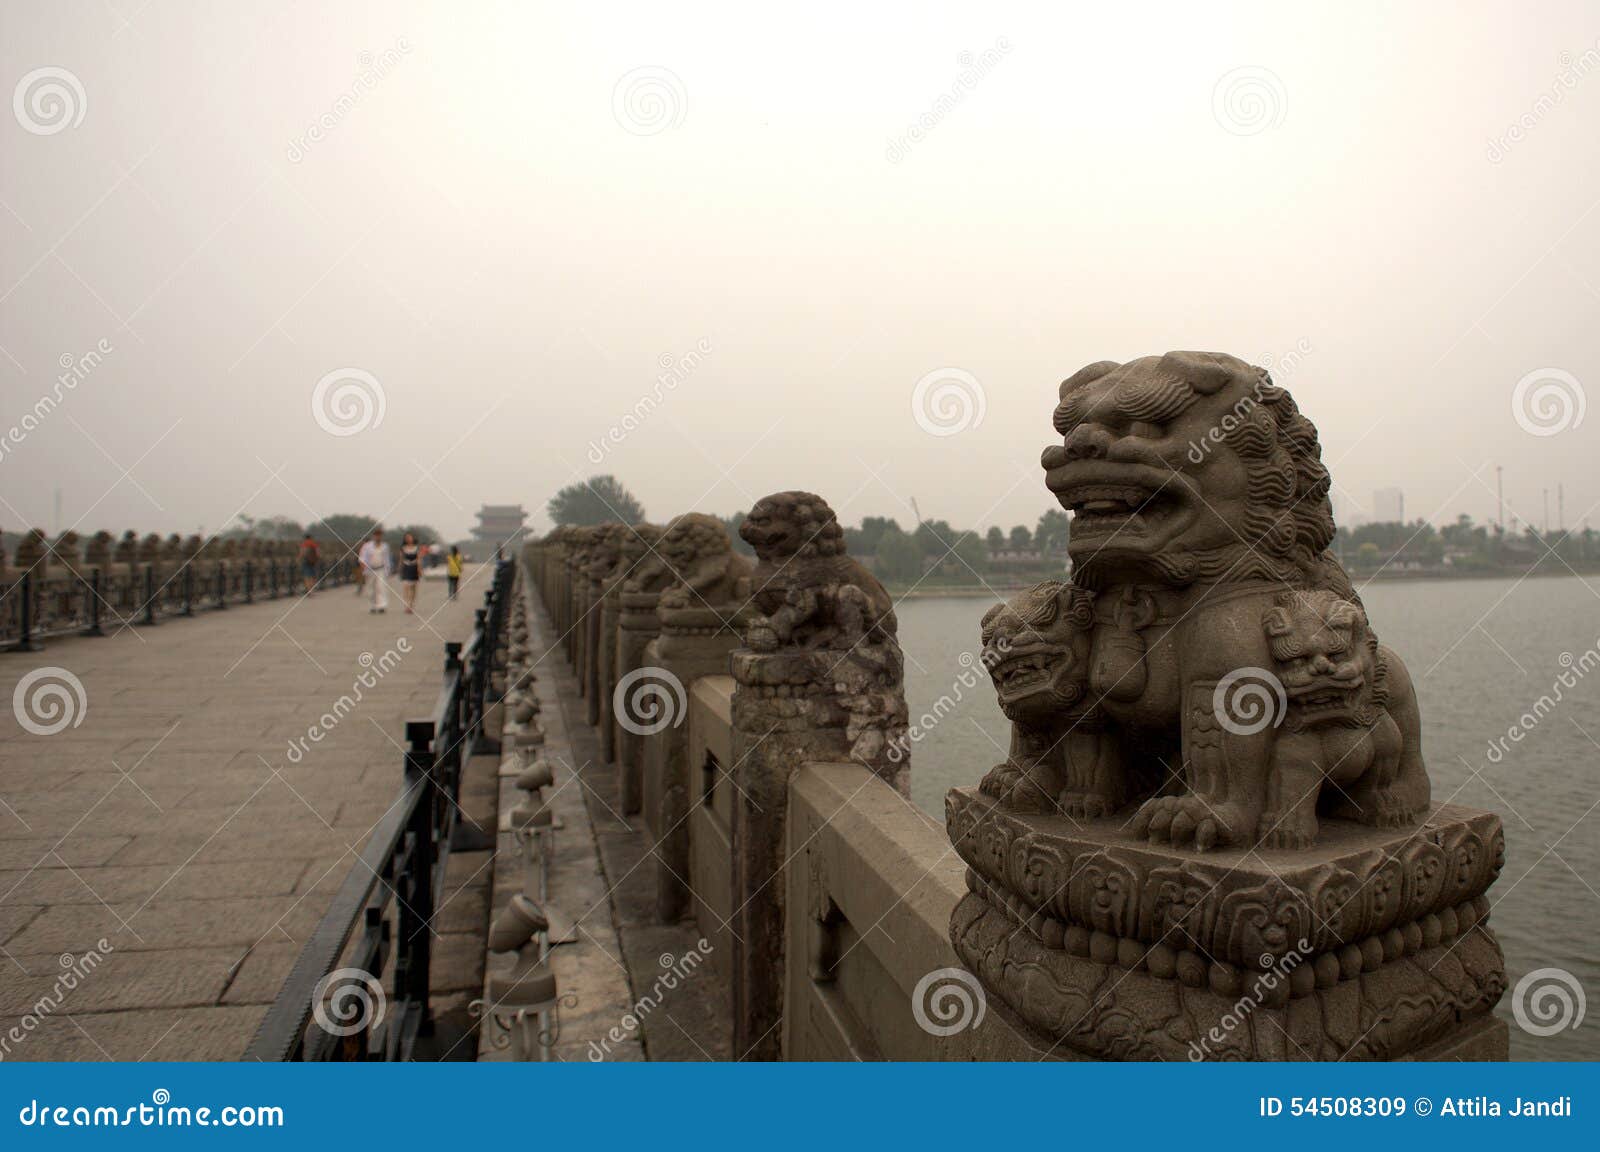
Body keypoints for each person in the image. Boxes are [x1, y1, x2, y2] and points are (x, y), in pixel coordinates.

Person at [358, 527, 391, 613]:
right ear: (373, 536)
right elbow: (362, 558)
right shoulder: (367, 546)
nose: (378, 537)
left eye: (379, 535)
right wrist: (363, 568)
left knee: (381, 587)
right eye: (376, 535)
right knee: (370, 588)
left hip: (380, 569)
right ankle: (372, 605)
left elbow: (386, 559)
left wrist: (387, 570)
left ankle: (381, 605)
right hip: (370, 569)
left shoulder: (385, 546)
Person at [398, 532, 423, 614]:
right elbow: (401, 559)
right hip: (406, 567)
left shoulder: (417, 548)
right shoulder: (403, 548)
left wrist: (419, 569)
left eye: (410, 537)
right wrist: (400, 569)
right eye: (407, 538)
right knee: (406, 587)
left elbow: (419, 559)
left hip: (414, 567)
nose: (408, 539)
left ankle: (411, 605)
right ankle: (406, 605)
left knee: (413, 588)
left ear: (413, 538)